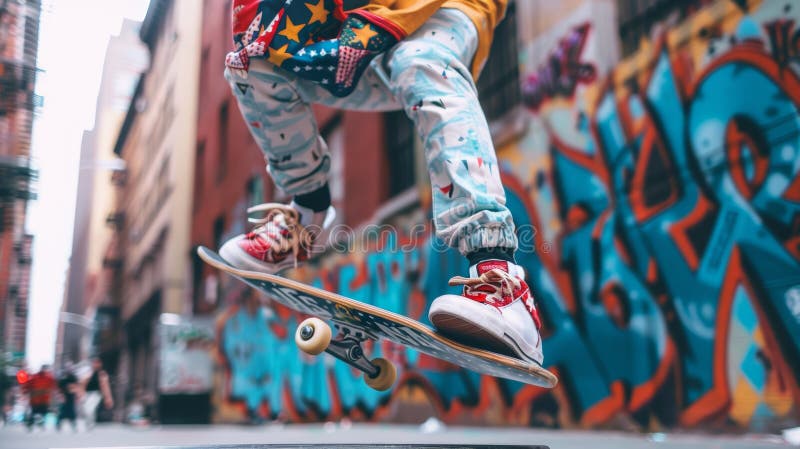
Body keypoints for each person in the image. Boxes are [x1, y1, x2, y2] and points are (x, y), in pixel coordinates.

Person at [220, 0, 543, 364]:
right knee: (253, 63)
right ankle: (307, 214)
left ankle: (500, 278)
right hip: (357, 26)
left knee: (420, 61)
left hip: (440, 11)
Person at [79, 358, 113, 429]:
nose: (96, 365)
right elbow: (82, 384)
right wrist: (80, 394)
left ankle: (90, 423)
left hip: (96, 394)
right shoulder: (89, 373)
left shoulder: (102, 374)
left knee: (90, 409)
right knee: (86, 409)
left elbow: (106, 387)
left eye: (97, 363)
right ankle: (90, 421)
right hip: (87, 394)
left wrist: (108, 398)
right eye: (94, 363)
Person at [23, 365, 55, 431]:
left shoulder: (49, 378)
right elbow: (28, 385)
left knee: (43, 412)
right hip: (35, 399)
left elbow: (53, 386)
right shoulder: (35, 377)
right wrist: (25, 392)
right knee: (34, 412)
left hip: (43, 399)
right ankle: (31, 424)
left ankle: (40, 423)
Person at [56, 364, 78, 432]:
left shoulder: (73, 377)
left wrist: (76, 396)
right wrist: (60, 396)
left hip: (71, 397)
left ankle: (73, 425)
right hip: (64, 396)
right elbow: (59, 388)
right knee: (62, 412)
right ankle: (58, 425)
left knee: (72, 412)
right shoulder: (63, 378)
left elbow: (76, 387)